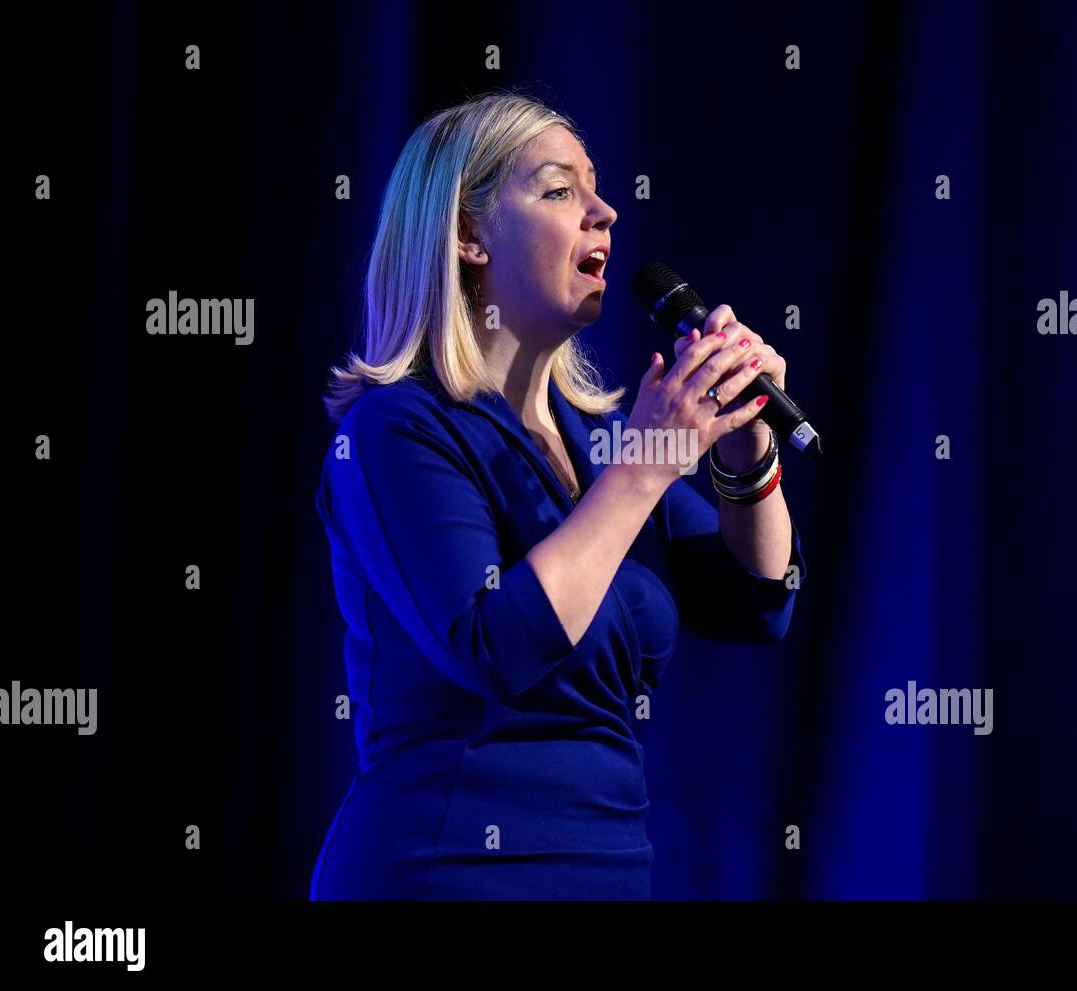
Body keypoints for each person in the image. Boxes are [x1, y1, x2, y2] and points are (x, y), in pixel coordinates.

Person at [309, 89, 807, 900]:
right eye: (560, 190)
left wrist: (746, 445)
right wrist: (644, 467)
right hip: (443, 872)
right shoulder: (396, 430)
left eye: (597, 189)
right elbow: (494, 644)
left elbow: (757, 601)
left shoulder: (596, 443)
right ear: (468, 235)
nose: (604, 213)